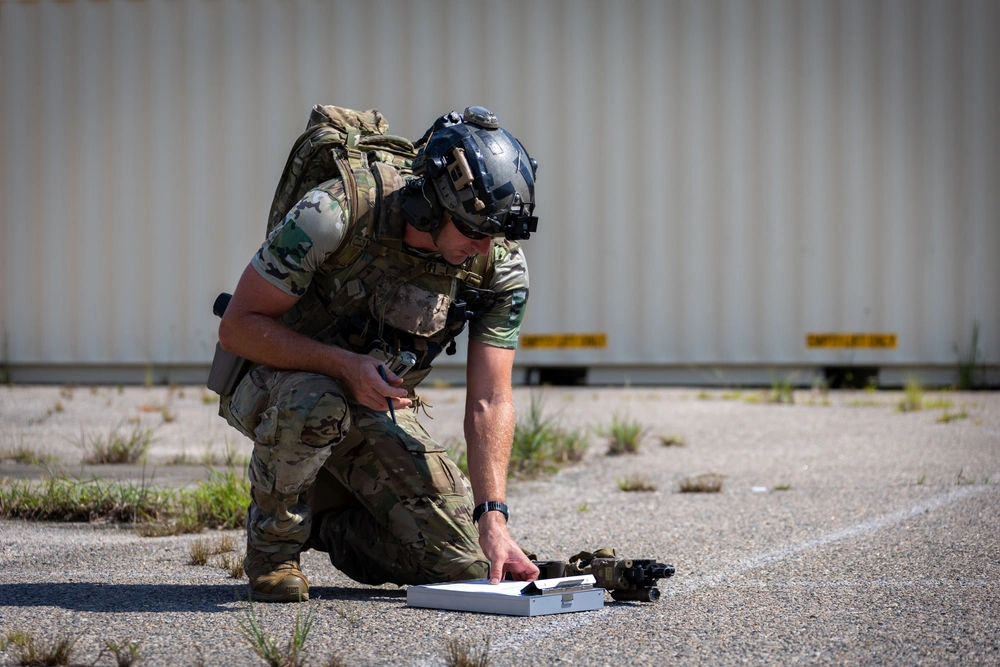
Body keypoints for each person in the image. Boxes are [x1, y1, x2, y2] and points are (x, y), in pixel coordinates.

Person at [217, 106, 541, 602]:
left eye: (494, 234)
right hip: (279, 379)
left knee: (461, 564)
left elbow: (491, 401)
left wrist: (492, 519)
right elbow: (238, 327)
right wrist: (343, 365)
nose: (483, 247)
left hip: (376, 402)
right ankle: (274, 552)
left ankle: (325, 519)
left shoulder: (498, 264)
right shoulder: (336, 212)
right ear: (430, 206)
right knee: (318, 400)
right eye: (473, 230)